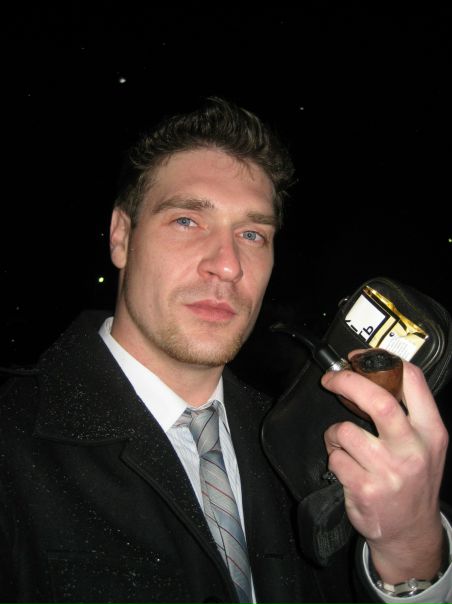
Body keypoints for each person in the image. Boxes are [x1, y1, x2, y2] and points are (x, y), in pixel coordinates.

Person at [0, 96, 450, 604]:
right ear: (122, 237)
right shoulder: (11, 444)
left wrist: (410, 548)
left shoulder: (313, 450)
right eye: (187, 221)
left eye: (252, 234)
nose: (229, 265)